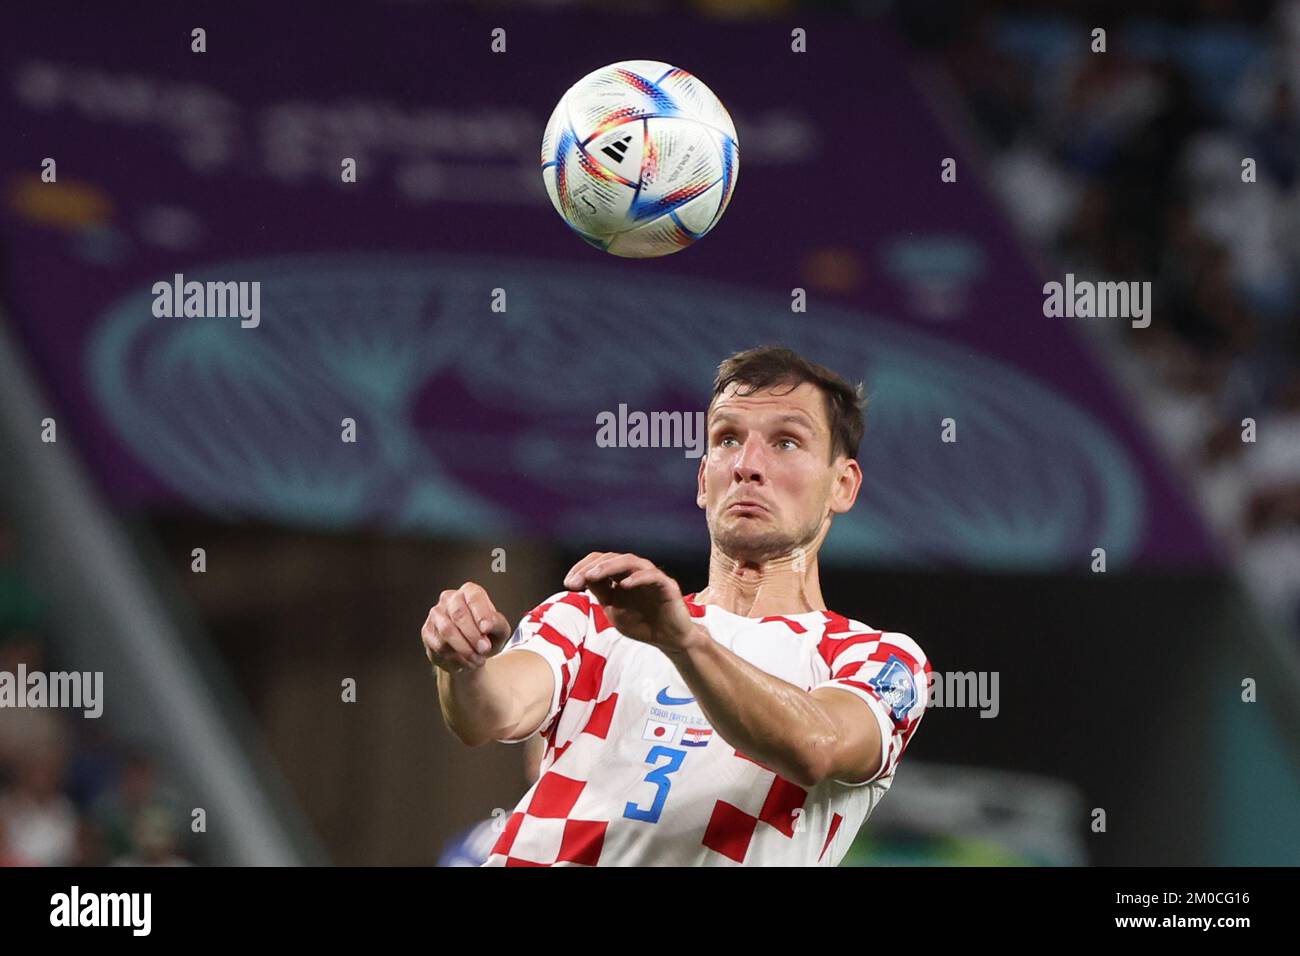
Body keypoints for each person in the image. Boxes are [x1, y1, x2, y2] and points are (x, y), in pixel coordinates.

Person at [422, 346, 931, 866]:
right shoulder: (592, 617)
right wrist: (462, 663)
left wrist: (683, 640)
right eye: (728, 439)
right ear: (703, 479)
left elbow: (815, 746)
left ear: (842, 485)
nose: (747, 466)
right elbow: (487, 715)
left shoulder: (878, 660)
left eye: (786, 442)